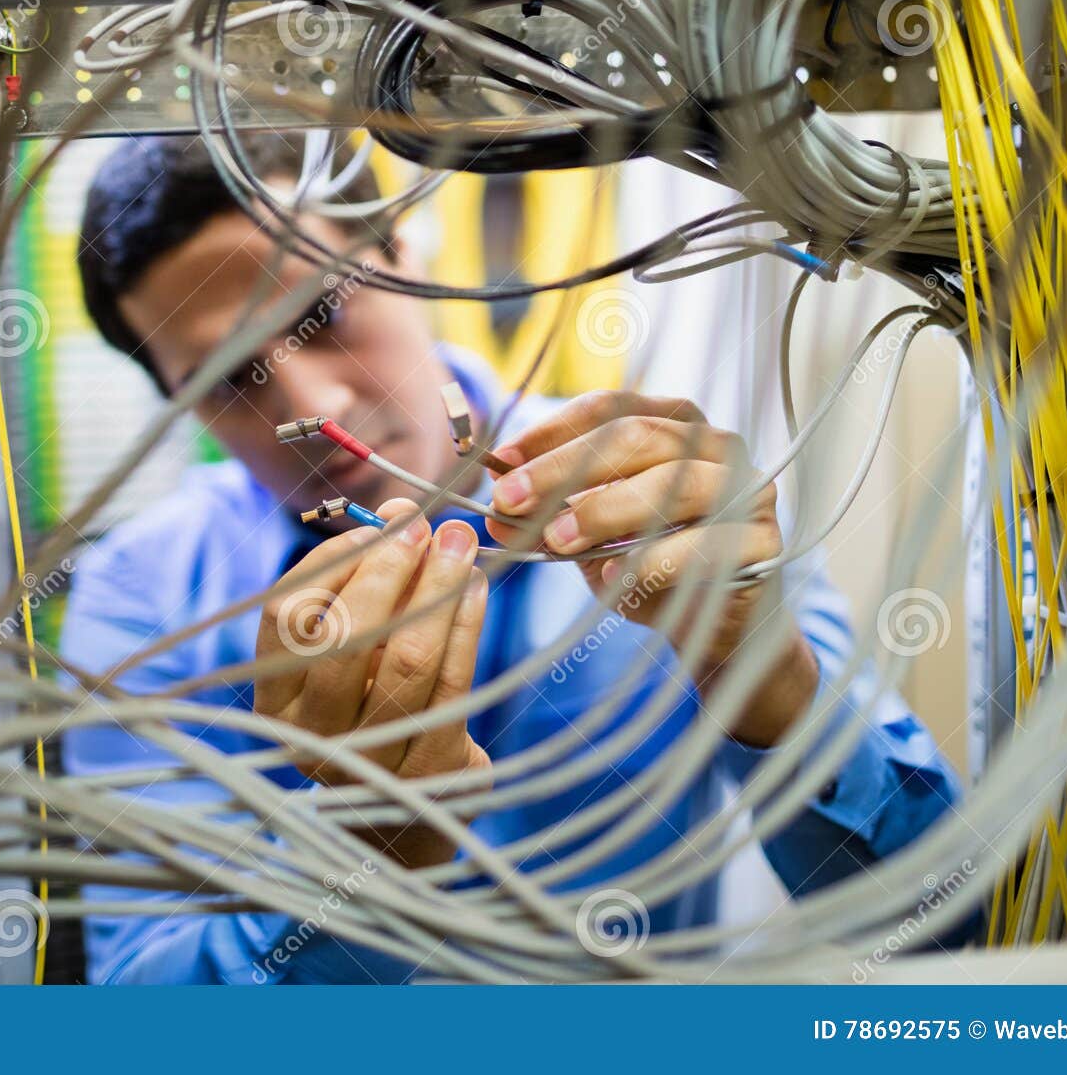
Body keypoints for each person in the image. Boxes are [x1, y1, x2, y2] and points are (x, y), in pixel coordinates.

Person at [60, 135, 961, 984]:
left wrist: (767, 678)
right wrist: (360, 865)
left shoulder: (663, 496)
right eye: (229, 378)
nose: (315, 407)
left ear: (404, 251)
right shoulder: (143, 597)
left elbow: (946, 924)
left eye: (320, 313)